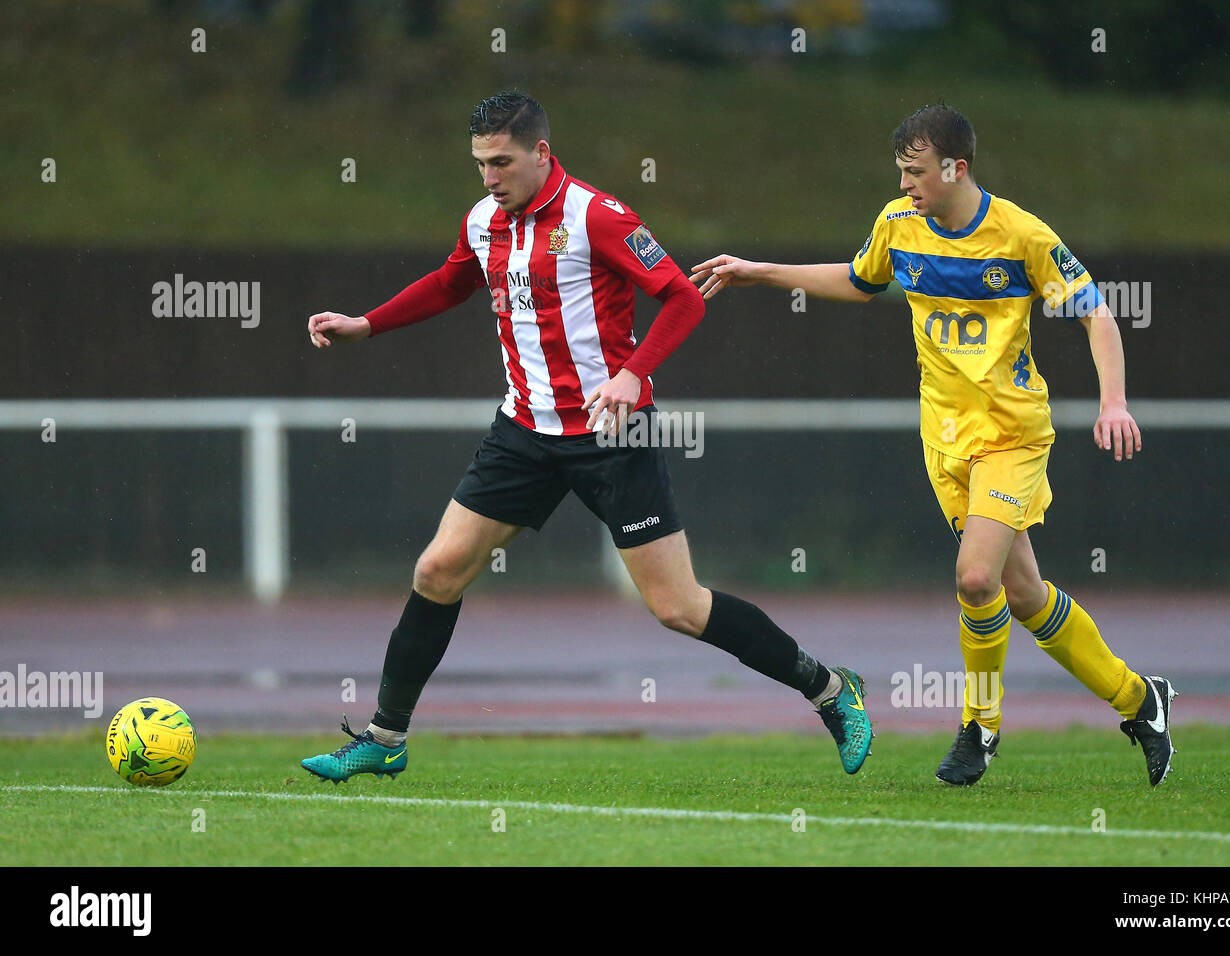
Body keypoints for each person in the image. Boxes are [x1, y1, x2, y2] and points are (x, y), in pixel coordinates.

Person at [300, 91, 871, 782]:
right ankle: (385, 738)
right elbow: (453, 283)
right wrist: (367, 323)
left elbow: (683, 299)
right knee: (437, 571)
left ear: (542, 153)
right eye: (480, 163)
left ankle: (832, 691)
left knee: (678, 608)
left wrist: (633, 374)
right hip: (523, 433)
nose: (489, 177)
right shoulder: (484, 219)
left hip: (611, 433)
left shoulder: (599, 216)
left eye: (502, 161)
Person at [690, 103, 1176, 787]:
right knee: (1024, 594)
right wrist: (758, 271)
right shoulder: (899, 224)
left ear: (957, 167)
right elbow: (860, 282)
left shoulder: (1020, 236)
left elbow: (1096, 313)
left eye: (916, 172)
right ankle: (1140, 700)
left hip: (1011, 436)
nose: (906, 184)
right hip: (942, 441)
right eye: (901, 171)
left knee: (976, 578)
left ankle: (980, 726)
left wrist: (1114, 402)